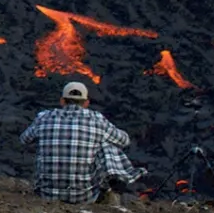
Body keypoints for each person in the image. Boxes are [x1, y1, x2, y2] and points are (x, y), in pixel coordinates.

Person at [20, 82, 148, 205]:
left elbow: (24, 140)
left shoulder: (44, 118)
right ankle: (113, 188)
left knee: (45, 143)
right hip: (85, 197)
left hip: (46, 194)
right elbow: (124, 141)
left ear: (62, 101)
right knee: (106, 145)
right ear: (86, 103)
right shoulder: (97, 120)